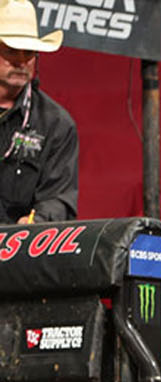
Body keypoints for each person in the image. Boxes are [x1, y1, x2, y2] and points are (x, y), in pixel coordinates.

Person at [0, 0, 76, 223]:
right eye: (12, 51)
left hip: (17, 251)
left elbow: (60, 199)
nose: (22, 62)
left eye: (29, 53)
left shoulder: (56, 124)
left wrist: (38, 222)